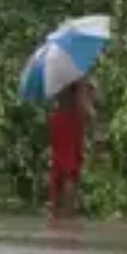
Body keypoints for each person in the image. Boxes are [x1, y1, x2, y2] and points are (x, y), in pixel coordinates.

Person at [48, 79, 93, 218]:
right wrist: (93, 115)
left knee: (58, 167)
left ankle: (55, 210)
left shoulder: (57, 75)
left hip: (58, 119)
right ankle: (68, 212)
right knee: (70, 170)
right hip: (71, 121)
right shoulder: (76, 75)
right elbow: (83, 103)